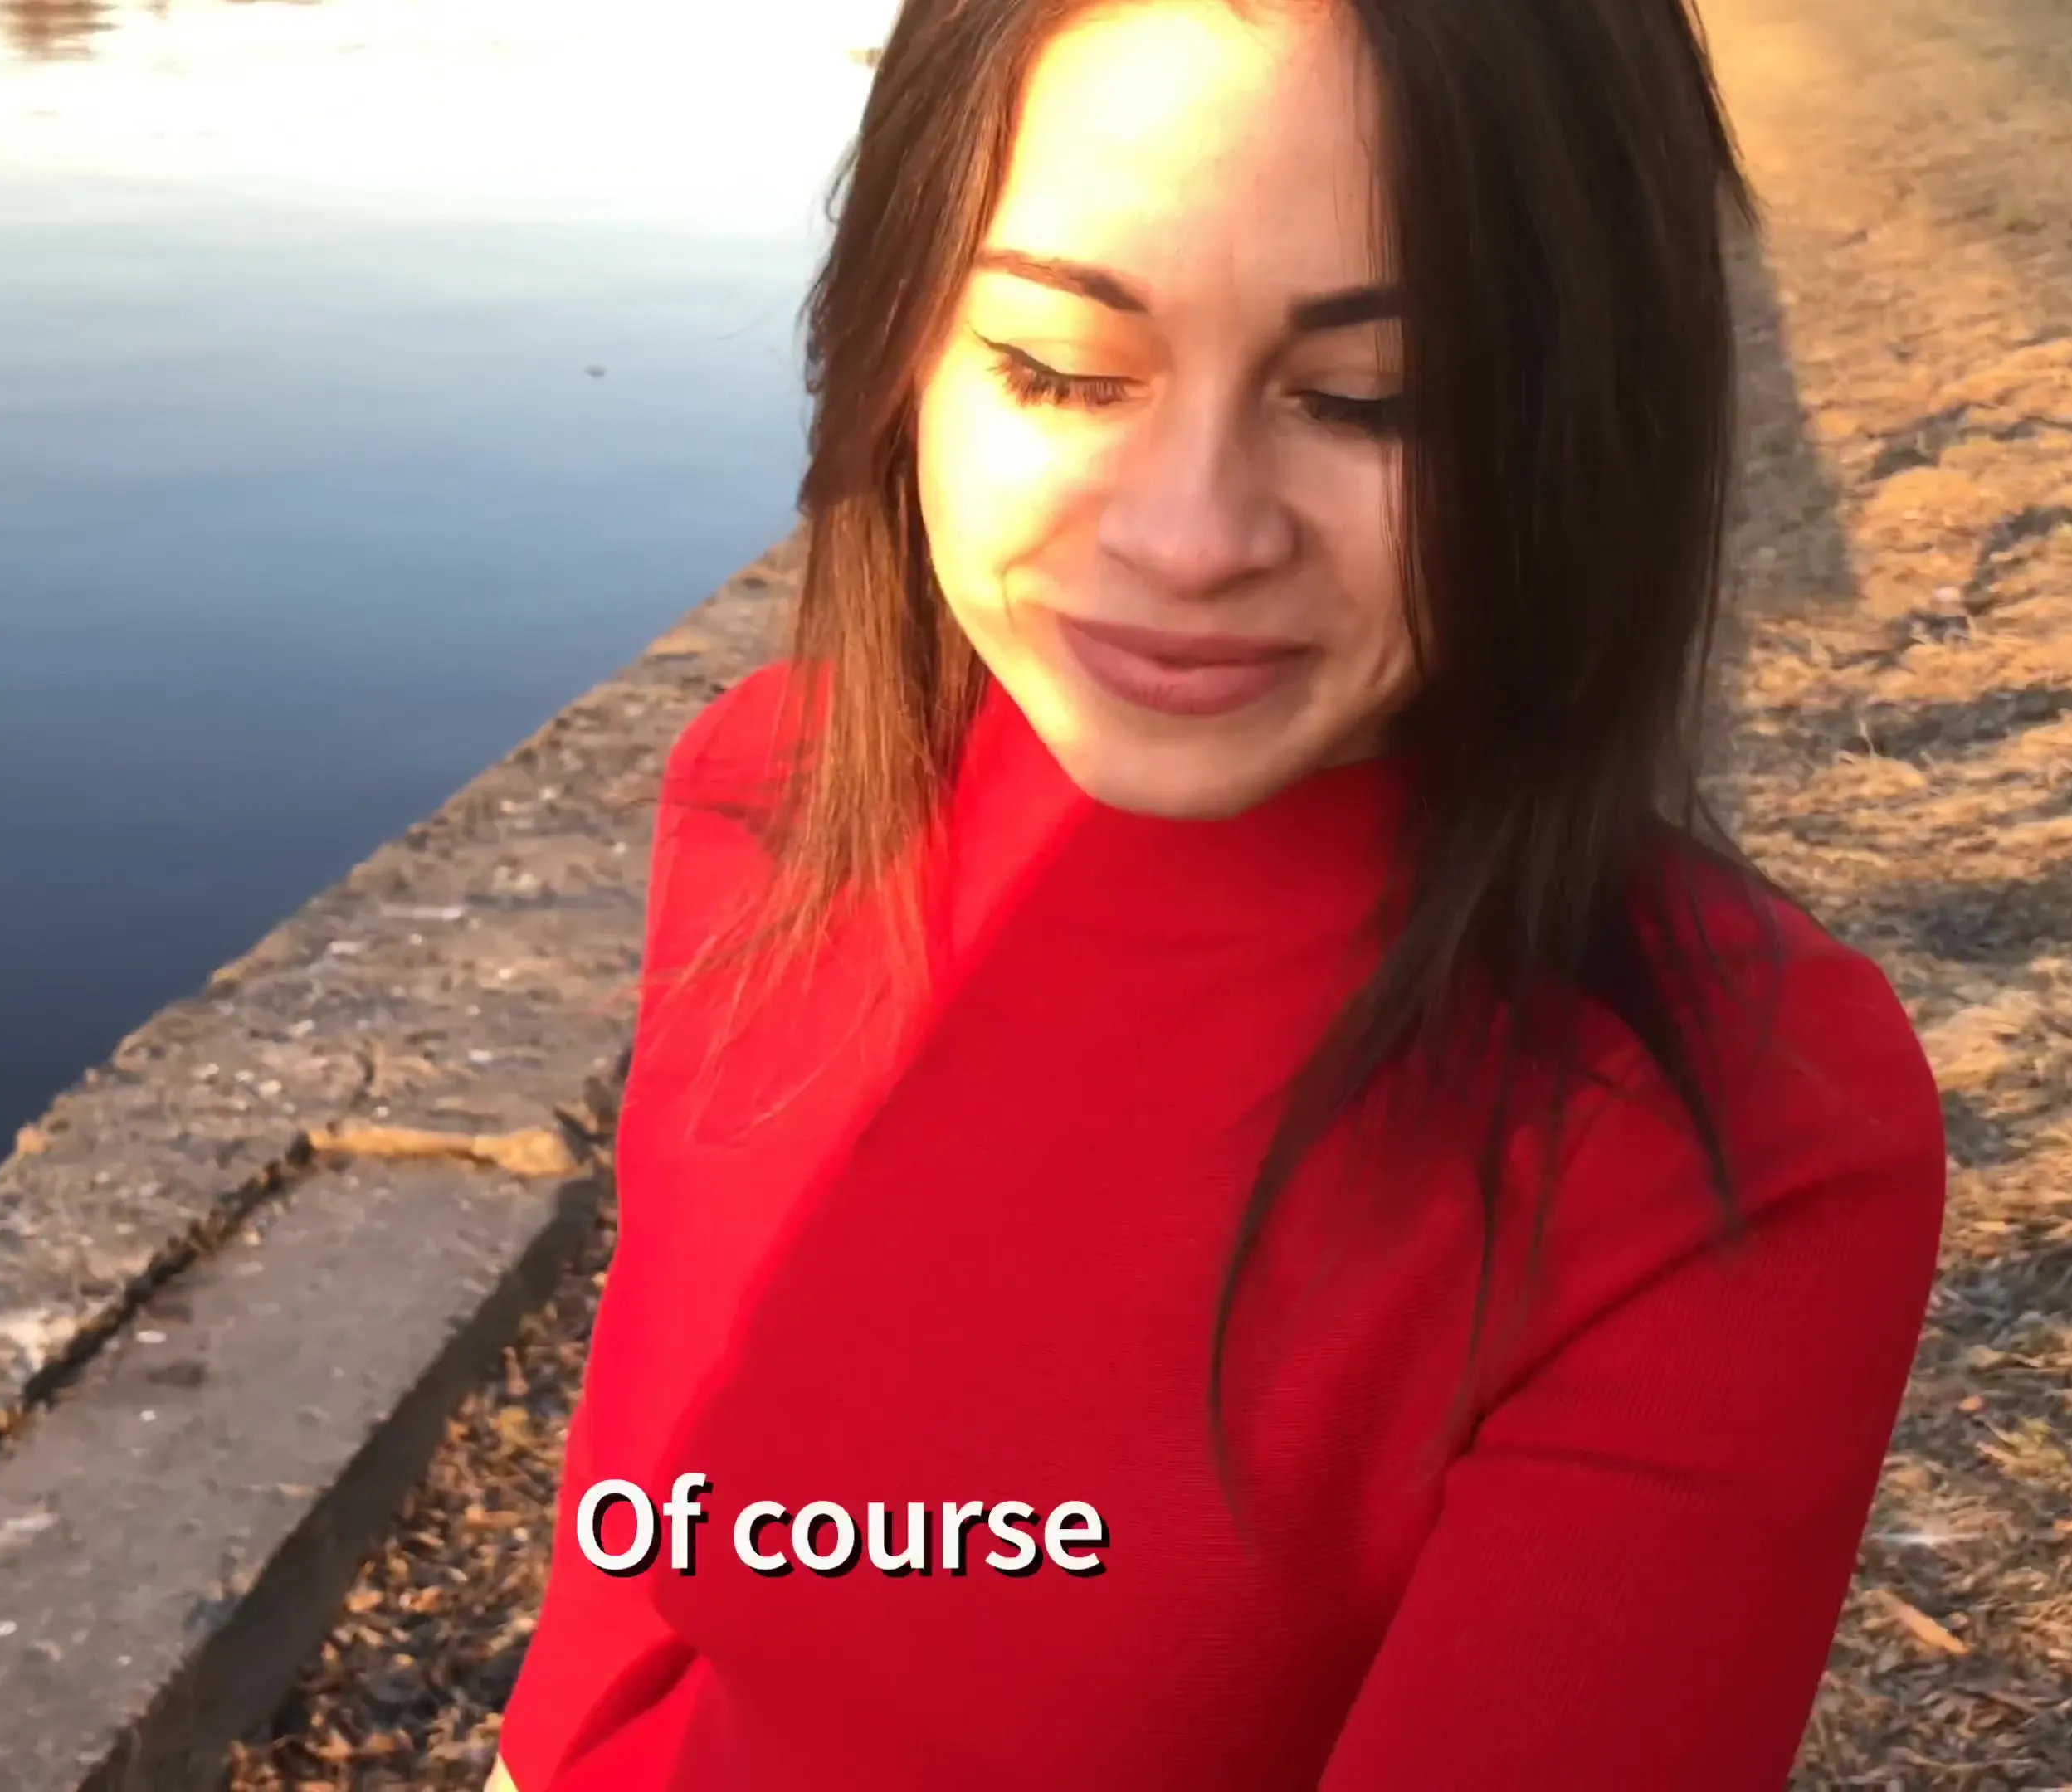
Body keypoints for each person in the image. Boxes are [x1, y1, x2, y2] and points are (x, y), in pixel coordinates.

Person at [487, 0, 1945, 1785]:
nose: (1189, 536)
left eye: (1371, 401)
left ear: (1593, 409)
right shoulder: (774, 797)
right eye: (1060, 371)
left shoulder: (1729, 1131)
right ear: (896, 347)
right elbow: (640, 1573)